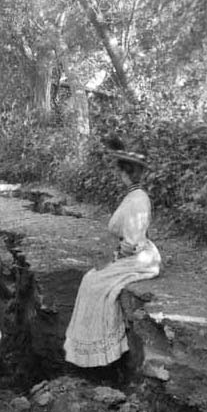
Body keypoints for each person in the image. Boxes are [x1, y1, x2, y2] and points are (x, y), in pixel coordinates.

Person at [63, 137, 161, 369]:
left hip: (139, 256)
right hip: (133, 251)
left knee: (94, 282)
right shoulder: (134, 196)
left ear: (126, 174)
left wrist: (113, 259)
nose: (118, 176)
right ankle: (89, 352)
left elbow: (132, 241)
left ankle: (100, 352)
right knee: (91, 278)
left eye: (120, 172)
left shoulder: (137, 199)